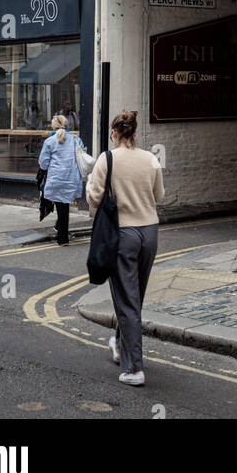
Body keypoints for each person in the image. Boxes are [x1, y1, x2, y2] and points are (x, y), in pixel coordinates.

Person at [86, 109, 164, 387]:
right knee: (134, 297)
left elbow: (94, 198)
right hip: (150, 233)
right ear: (136, 133)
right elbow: (159, 196)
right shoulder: (151, 159)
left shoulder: (106, 159)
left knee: (127, 300)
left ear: (114, 132)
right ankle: (120, 345)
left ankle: (134, 369)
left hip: (124, 234)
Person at [37, 114, 86, 244]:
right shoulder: (76, 140)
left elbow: (43, 163)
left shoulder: (49, 141)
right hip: (71, 178)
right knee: (63, 205)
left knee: (62, 206)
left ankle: (62, 238)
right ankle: (60, 229)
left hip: (56, 178)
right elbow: (82, 156)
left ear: (55, 125)